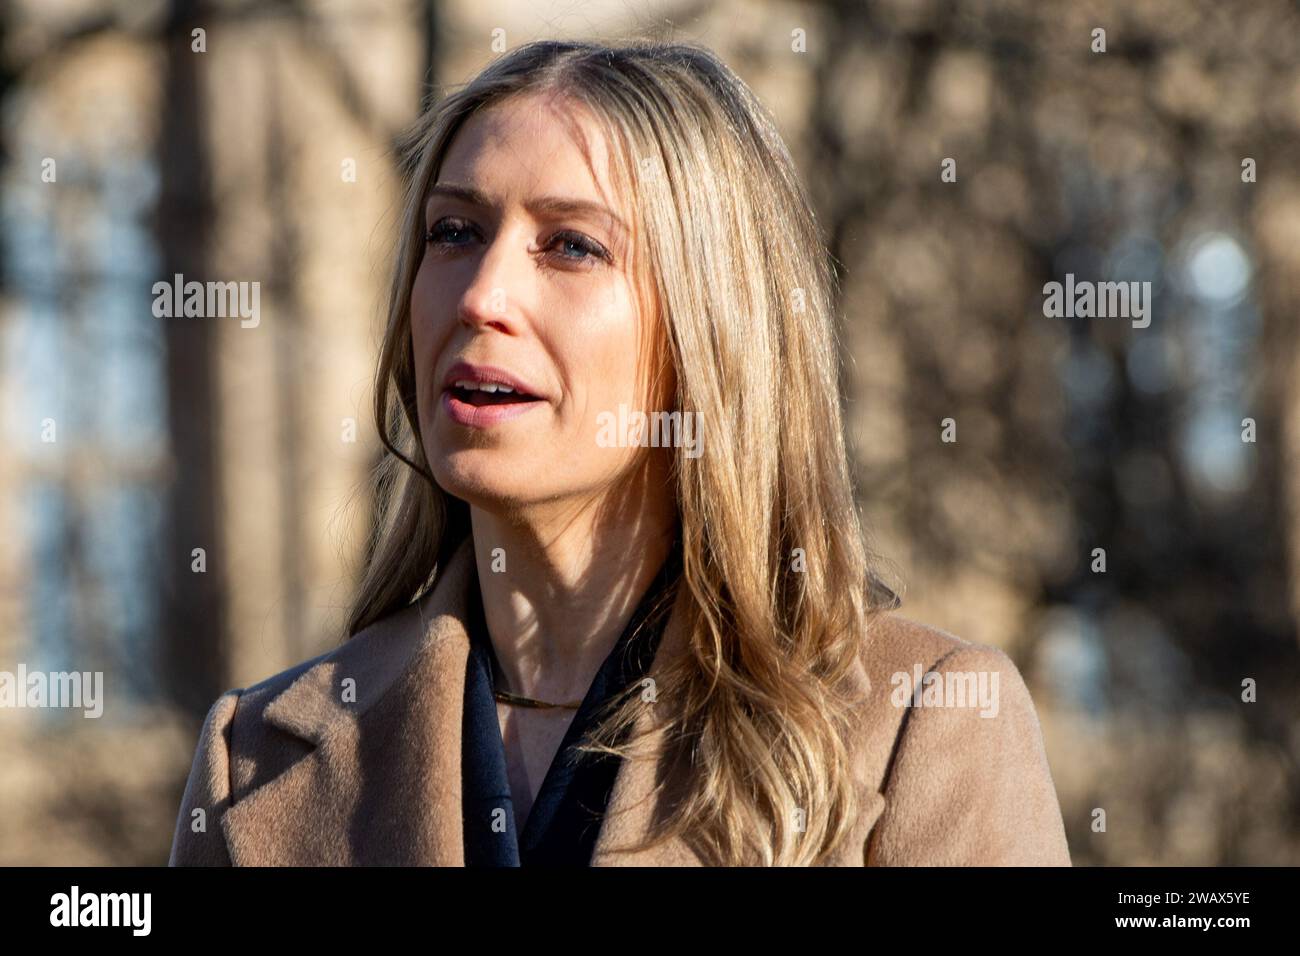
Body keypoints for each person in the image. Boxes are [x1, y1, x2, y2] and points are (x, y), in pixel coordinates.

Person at [168, 38, 1071, 867]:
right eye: (454, 232)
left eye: (571, 245)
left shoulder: (918, 725)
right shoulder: (255, 756)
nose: (481, 296)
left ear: (711, 324)